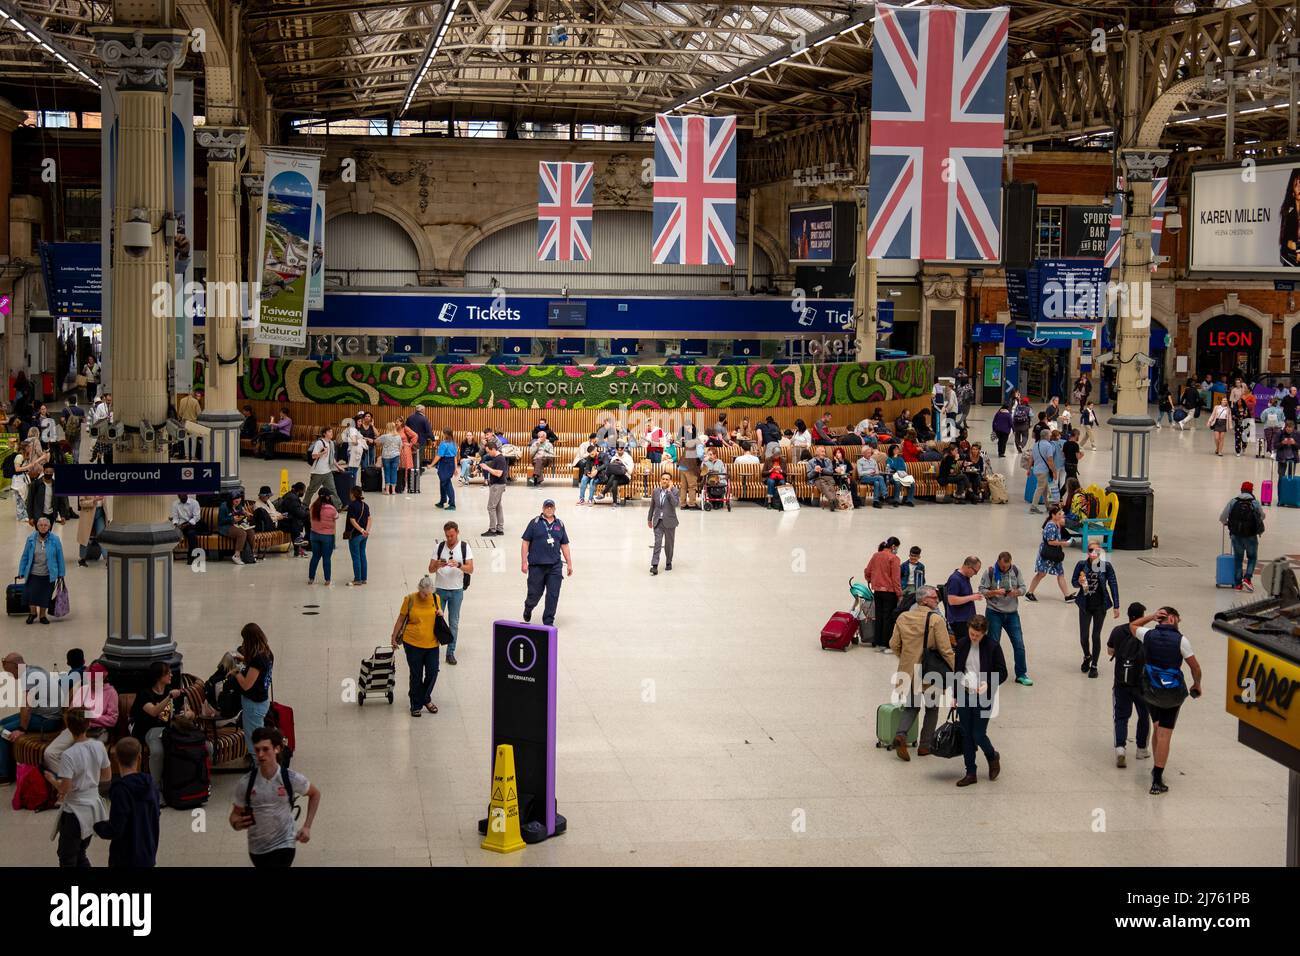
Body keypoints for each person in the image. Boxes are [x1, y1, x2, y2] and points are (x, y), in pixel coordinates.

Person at [1129, 607, 1202, 795]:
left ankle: (1156, 766)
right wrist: (1197, 684)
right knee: (1165, 734)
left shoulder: (1148, 635)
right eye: (1178, 618)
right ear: (1172, 618)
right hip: (1172, 693)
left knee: (1157, 727)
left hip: (1151, 690)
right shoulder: (1181, 640)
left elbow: (1133, 625)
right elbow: (1195, 667)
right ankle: (1157, 778)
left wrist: (1151, 617)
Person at [230, 727, 320, 866]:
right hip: (257, 848)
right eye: (257, 749)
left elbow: (315, 794)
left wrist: (307, 826)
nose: (260, 754)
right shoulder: (246, 783)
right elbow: (234, 816)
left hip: (285, 844)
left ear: (277, 749)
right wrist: (236, 824)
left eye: (265, 749)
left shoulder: (290, 778)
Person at [888, 586, 955, 759]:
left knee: (911, 706)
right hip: (929, 670)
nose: (937, 600)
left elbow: (894, 644)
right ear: (924, 600)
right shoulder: (936, 620)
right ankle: (925, 746)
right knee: (932, 709)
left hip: (908, 669)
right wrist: (957, 669)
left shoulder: (903, 617)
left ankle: (901, 734)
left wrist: (906, 657)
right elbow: (945, 650)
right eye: (934, 597)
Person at [53, 708, 110, 867]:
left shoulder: (68, 755)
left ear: (68, 727)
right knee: (81, 852)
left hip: (74, 812)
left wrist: (52, 781)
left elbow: (66, 788)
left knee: (67, 856)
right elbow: (107, 777)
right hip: (93, 808)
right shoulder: (99, 746)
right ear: (89, 724)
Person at [953, 615, 1006, 787]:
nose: (973, 637)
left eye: (977, 635)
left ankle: (992, 755)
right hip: (964, 694)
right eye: (971, 634)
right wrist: (954, 695)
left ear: (984, 633)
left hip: (984, 695)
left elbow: (1002, 672)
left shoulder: (993, 647)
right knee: (966, 735)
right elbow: (957, 670)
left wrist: (989, 684)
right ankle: (970, 772)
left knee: (978, 734)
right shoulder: (962, 644)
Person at [0, 653, 63, 782]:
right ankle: (8, 765)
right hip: (40, 714)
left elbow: (26, 707)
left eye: (10, 672)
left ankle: (5, 774)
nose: (11, 676)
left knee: (2, 731)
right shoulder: (33, 670)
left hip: (47, 721)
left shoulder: (28, 677)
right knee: (1, 726)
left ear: (16, 666)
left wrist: (22, 729)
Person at [391, 576, 444, 716]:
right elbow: (400, 619)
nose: (425, 596)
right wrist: (393, 637)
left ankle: (424, 698)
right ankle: (416, 704)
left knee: (433, 672)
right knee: (416, 675)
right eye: (423, 593)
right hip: (412, 643)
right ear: (419, 589)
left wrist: (441, 614)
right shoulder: (410, 599)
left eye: (428, 593)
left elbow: (439, 617)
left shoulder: (435, 598)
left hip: (432, 643)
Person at [1107, 602, 1151, 769]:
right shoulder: (1147, 634)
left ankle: (1120, 748)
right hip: (1141, 683)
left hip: (1121, 682)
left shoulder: (1118, 631)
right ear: (1143, 617)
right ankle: (1141, 749)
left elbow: (1110, 651)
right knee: (1143, 715)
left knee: (1120, 716)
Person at [979, 551, 1032, 687]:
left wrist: (1017, 592)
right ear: (998, 562)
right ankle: (990, 674)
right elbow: (982, 591)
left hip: (1012, 613)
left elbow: (1024, 588)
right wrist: (995, 592)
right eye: (1002, 567)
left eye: (1006, 567)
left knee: (1019, 644)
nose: (1004, 569)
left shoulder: (1015, 570)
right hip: (994, 612)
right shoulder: (989, 572)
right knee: (993, 644)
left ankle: (1021, 674)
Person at [129, 662, 185, 781]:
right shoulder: (144, 694)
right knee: (157, 752)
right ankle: (155, 786)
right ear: (158, 677)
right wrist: (169, 698)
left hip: (165, 729)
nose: (171, 675)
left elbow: (165, 717)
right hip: (146, 729)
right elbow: (154, 712)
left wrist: (185, 713)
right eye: (167, 673)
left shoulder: (168, 691)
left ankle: (175, 782)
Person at [1072, 542, 1120, 678]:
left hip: (1100, 605)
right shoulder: (1081, 565)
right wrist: (1080, 582)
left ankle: (1094, 665)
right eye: (1091, 550)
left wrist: (1116, 605)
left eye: (1096, 550)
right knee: (1083, 636)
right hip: (1085, 605)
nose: (1093, 552)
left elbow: (1113, 584)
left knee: (1096, 635)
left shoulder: (1106, 567)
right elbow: (1073, 582)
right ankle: (1087, 655)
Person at [521, 499, 572, 626]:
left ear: (554, 509)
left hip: (555, 566)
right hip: (537, 566)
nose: (549, 509)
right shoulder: (535, 523)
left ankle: (548, 622)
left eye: (551, 507)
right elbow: (525, 542)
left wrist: (569, 563)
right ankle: (528, 607)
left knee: (553, 595)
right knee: (535, 594)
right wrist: (524, 562)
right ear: (543, 509)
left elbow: (564, 545)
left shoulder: (559, 524)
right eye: (547, 507)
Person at [429, 521, 473, 665]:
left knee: (453, 623)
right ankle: (433, 651)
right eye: (447, 536)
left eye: (452, 536)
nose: (449, 539)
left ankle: (450, 652)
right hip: (440, 590)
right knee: (436, 621)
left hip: (456, 591)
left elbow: (470, 569)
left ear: (457, 533)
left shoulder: (465, 547)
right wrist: (437, 564)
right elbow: (430, 569)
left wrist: (459, 565)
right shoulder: (439, 547)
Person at [17, 515, 65, 624]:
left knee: (45, 596)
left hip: (48, 573)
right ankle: (33, 613)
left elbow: (60, 557)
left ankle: (43, 616)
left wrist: (61, 573)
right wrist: (21, 571)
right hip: (33, 573)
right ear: (37, 527)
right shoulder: (30, 539)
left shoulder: (55, 540)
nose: (43, 527)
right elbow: (25, 556)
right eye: (41, 525)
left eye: (45, 525)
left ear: (49, 527)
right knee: (31, 595)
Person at [1221, 480, 1265, 592]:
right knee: (1252, 557)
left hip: (1236, 535)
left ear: (1241, 490)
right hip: (1251, 535)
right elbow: (1262, 516)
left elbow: (1222, 517)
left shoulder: (1233, 501)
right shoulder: (1254, 503)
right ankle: (1247, 578)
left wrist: (1227, 523)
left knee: (1238, 559)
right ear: (1251, 491)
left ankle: (1238, 584)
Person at [1026, 506, 1072, 602]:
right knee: (1041, 574)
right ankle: (1029, 593)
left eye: (1061, 514)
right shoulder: (1051, 526)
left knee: (1060, 573)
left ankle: (1067, 596)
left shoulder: (1057, 523)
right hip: (1048, 553)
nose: (1061, 516)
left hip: (1054, 553)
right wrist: (1062, 543)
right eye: (1059, 514)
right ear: (1053, 515)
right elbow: (1050, 542)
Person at [865, 538, 902, 652]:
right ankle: (886, 644)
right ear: (894, 546)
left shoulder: (876, 555)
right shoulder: (894, 558)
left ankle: (878, 642)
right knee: (888, 618)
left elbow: (867, 571)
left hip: (877, 591)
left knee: (879, 616)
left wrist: (871, 580)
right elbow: (895, 578)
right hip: (889, 592)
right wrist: (899, 593)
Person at [945, 556, 984, 642]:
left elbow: (962, 595)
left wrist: (974, 595)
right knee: (963, 648)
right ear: (968, 566)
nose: (975, 574)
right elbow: (952, 600)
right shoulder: (955, 579)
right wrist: (972, 597)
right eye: (975, 571)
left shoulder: (965, 577)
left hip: (966, 619)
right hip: (959, 621)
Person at [647, 472, 679, 575]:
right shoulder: (656, 491)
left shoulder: (675, 491)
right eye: (663, 479)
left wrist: (669, 491)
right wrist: (649, 519)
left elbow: (675, 504)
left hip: (670, 522)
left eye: (667, 479)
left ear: (670, 481)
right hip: (658, 521)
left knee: (669, 544)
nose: (664, 481)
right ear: (660, 480)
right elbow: (652, 506)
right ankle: (654, 565)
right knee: (657, 543)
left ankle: (668, 561)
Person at [305, 425, 342, 508]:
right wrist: (322, 453)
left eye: (332, 431)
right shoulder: (319, 443)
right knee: (311, 490)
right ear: (324, 434)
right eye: (329, 432)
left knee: (332, 489)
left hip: (327, 471)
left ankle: (338, 506)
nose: (331, 433)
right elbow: (313, 456)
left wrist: (338, 467)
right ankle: (305, 505)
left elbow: (332, 457)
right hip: (318, 472)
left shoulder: (331, 443)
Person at [306, 487, 338, 586]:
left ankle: (311, 578)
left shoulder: (313, 507)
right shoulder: (331, 509)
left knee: (315, 557)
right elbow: (336, 516)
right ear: (328, 497)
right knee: (326, 558)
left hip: (314, 535)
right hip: (327, 536)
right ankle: (327, 579)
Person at [343, 486, 372, 587]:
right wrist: (366, 531)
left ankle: (357, 579)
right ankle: (364, 578)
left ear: (353, 494)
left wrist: (361, 530)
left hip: (355, 535)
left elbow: (352, 520)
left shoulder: (352, 506)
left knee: (356, 557)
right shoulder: (365, 505)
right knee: (362, 555)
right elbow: (369, 519)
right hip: (364, 535)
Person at [403, 405, 434, 493]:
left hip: (411, 440)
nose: (425, 411)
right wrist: (432, 439)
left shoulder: (409, 418)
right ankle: (417, 470)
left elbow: (406, 429)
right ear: (421, 410)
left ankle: (411, 469)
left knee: (412, 455)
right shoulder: (424, 419)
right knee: (419, 456)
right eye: (424, 409)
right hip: (420, 440)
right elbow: (428, 430)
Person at [480, 440, 509, 535]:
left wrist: (487, 468)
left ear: (493, 449)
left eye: (488, 451)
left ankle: (492, 530)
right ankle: (500, 528)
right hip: (498, 485)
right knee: (497, 507)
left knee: (491, 507)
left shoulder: (500, 459)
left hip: (497, 485)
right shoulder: (497, 458)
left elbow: (498, 473)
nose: (488, 453)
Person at [217, 491, 253, 565]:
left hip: (237, 525)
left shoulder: (239, 505)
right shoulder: (224, 506)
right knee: (242, 533)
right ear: (231, 500)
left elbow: (241, 512)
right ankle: (237, 555)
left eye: (239, 499)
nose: (238, 501)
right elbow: (221, 521)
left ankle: (249, 554)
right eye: (235, 500)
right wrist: (232, 519)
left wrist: (245, 513)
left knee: (251, 532)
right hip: (225, 527)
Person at [76, 493, 108, 567]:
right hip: (88, 513)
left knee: (102, 536)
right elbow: (81, 503)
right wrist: (93, 501)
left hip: (100, 513)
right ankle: (82, 559)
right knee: (85, 536)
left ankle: (107, 559)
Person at [171, 492, 204, 561]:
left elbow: (196, 517)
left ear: (186, 494)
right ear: (178, 496)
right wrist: (176, 525)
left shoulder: (194, 503)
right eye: (180, 496)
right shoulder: (175, 504)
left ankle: (192, 557)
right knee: (191, 533)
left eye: (183, 496)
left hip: (194, 524)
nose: (182, 498)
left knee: (191, 532)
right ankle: (192, 556)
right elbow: (175, 518)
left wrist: (186, 525)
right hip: (183, 526)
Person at [677, 420, 703, 509]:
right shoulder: (697, 441)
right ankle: (692, 504)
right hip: (690, 467)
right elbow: (700, 455)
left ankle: (683, 504)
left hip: (682, 466)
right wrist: (704, 458)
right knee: (692, 486)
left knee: (683, 487)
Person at [376, 421, 403, 494]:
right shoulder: (398, 436)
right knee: (394, 472)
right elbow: (400, 446)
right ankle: (393, 491)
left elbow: (376, 441)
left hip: (386, 457)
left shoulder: (384, 436)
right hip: (396, 456)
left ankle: (387, 491)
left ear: (387, 428)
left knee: (387, 472)